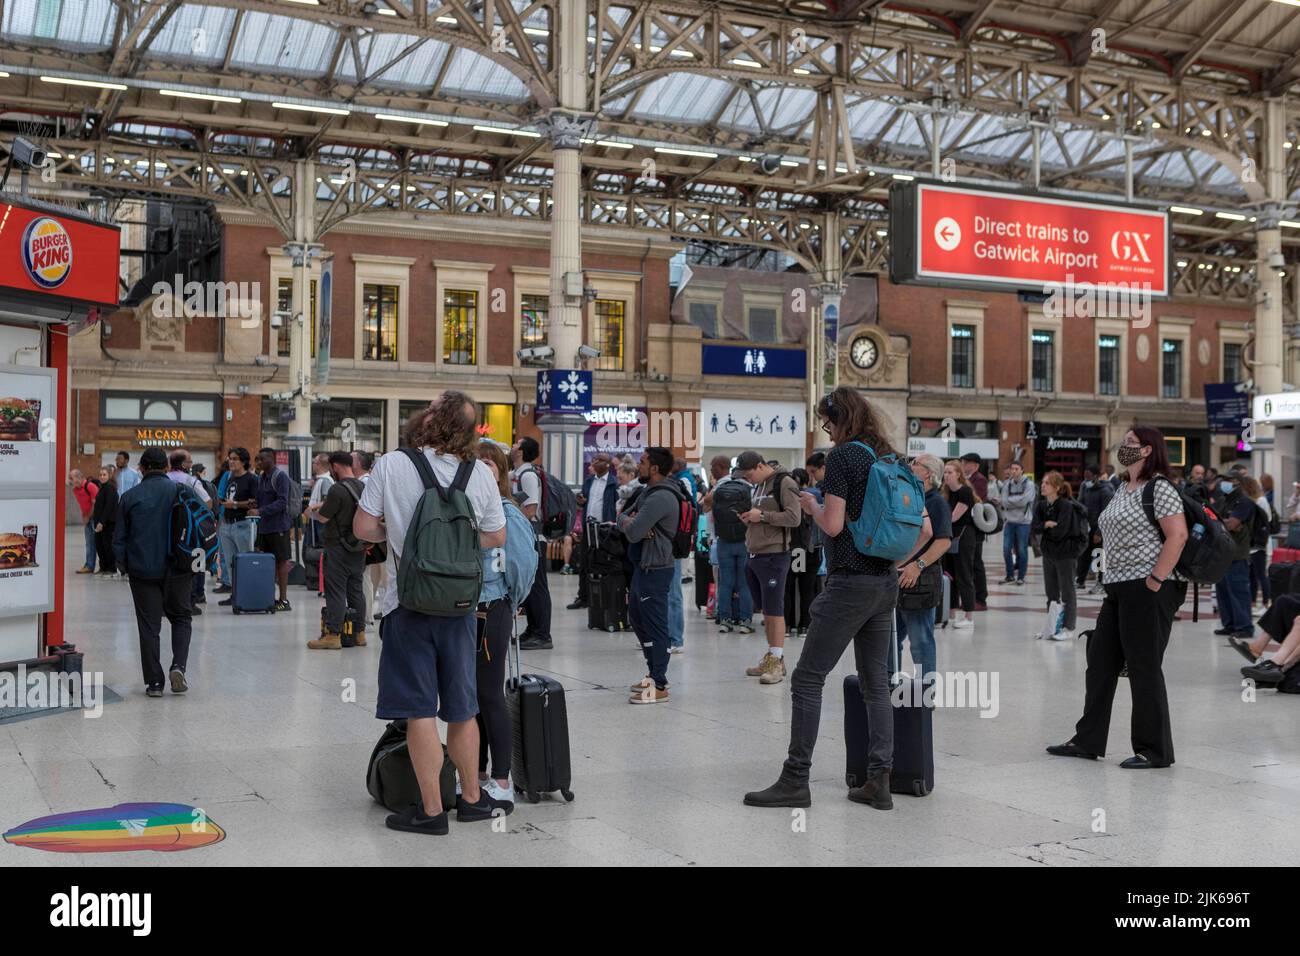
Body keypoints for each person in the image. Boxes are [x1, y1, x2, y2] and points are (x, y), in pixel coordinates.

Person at [745, 386, 917, 811]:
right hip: (884, 581)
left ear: (840, 419)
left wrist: (811, 507)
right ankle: (879, 778)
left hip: (850, 582)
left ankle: (795, 779)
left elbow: (835, 526)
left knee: (807, 679)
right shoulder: (887, 456)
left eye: (826, 421)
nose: (827, 429)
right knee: (876, 683)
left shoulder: (843, 457)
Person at [353, 391, 509, 835]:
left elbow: (363, 527)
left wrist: (403, 534)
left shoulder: (393, 464)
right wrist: (457, 548)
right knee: (463, 707)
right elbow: (496, 536)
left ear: (429, 419)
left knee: (420, 709)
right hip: (462, 607)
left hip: (410, 605)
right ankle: (474, 801)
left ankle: (432, 811)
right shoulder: (479, 472)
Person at [1047, 426, 1188, 769]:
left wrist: (1154, 579)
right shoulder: (1123, 488)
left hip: (1150, 587)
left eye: (1130, 444)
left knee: (1143, 667)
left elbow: (1178, 534)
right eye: (1122, 443)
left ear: (1147, 450)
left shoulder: (1160, 488)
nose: (1122, 448)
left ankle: (1154, 751)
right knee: (1100, 662)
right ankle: (1088, 739)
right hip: (1118, 586)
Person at [474, 440, 537, 803]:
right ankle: (478, 770)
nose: (483, 470)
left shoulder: (507, 514)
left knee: (489, 694)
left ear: (500, 472)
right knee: (471, 698)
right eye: (476, 464)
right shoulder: (474, 510)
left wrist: (510, 601)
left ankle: (501, 779)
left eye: (490, 464)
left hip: (492, 609)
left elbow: (521, 567)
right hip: (469, 611)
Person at [114, 447, 194, 697]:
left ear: (142, 468)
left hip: (143, 571)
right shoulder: (183, 491)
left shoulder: (130, 496)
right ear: (167, 467)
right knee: (181, 618)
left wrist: (124, 566)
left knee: (149, 627)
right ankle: (178, 666)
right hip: (179, 570)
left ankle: (155, 683)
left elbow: (119, 539)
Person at [618, 447, 682, 704]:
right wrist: (629, 521)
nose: (638, 467)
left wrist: (631, 524)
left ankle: (660, 683)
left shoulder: (660, 497)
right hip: (643, 566)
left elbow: (632, 532)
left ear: (655, 468)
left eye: (643, 462)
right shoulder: (648, 491)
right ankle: (652, 671)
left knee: (655, 623)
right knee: (638, 618)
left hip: (656, 567)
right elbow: (623, 514)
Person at [735, 451, 803, 684]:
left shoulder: (785, 482)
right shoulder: (759, 486)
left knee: (775, 611)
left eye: (749, 473)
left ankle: (777, 659)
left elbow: (795, 518)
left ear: (761, 465)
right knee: (766, 611)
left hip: (774, 556)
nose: (748, 478)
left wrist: (762, 516)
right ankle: (773, 657)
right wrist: (751, 518)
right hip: (755, 555)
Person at [896, 453, 951, 680]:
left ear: (928, 473)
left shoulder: (936, 503)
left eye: (915, 464)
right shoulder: (912, 498)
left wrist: (917, 566)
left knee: (921, 640)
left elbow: (944, 541)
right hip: (898, 579)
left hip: (921, 581)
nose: (910, 466)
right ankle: (890, 684)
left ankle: (926, 691)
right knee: (892, 637)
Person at [307, 452, 367, 650]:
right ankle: (359, 633)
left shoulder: (337, 489)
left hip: (337, 548)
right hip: (358, 546)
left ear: (335, 466)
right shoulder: (363, 487)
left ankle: (333, 634)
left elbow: (323, 518)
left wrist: (312, 512)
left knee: (336, 591)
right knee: (356, 590)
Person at [1032, 471, 1088, 641]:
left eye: (1047, 483)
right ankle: (1051, 626)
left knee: (1068, 591)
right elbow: (1034, 527)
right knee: (1051, 593)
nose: (1043, 486)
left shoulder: (1066, 506)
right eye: (1042, 482)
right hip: (1049, 553)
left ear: (1056, 487)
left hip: (1066, 554)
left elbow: (1060, 532)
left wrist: (1046, 529)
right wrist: (1046, 525)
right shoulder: (1041, 506)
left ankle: (1068, 627)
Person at [511, 436, 553, 650]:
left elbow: (531, 508)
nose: (513, 445)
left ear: (521, 451)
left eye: (516, 443)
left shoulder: (527, 475)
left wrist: (509, 519)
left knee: (537, 586)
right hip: (525, 537)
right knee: (530, 585)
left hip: (535, 538)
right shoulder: (516, 474)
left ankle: (543, 634)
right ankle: (533, 629)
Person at [704, 461, 755, 634]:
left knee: (725, 583)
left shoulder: (719, 488)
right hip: (744, 542)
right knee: (744, 583)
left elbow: (706, 507)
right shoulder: (751, 489)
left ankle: (725, 620)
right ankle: (745, 621)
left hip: (724, 541)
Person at [569, 452, 619, 611]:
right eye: (594, 460)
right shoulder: (589, 481)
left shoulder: (613, 483)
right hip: (588, 528)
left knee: (604, 563)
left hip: (605, 529)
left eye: (598, 460)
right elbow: (583, 503)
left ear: (607, 464)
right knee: (584, 563)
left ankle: (604, 596)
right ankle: (583, 597)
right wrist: (581, 502)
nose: (594, 463)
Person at [166, 450, 212, 613]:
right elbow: (208, 502)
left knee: (169, 563)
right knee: (194, 563)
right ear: (184, 464)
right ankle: (191, 601)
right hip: (189, 531)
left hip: (167, 530)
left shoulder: (164, 480)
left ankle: (168, 601)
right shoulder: (191, 481)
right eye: (190, 462)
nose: (191, 465)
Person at [1213, 472, 1257, 641]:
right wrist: (1223, 522)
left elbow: (1232, 524)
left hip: (1238, 554)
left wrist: (1221, 522)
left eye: (1227, 480)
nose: (1223, 483)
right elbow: (1216, 520)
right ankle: (1229, 624)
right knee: (1223, 591)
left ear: (1237, 482)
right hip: (1223, 553)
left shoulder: (1245, 502)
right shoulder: (1225, 500)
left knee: (1238, 591)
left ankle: (1244, 626)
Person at [252, 447, 295, 612]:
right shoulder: (262, 478)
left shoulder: (280, 476)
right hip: (264, 527)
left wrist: (261, 511)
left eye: (262, 459)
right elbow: (262, 500)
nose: (259, 462)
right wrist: (254, 504)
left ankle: (283, 600)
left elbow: (282, 502)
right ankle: (268, 596)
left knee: (281, 562)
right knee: (267, 563)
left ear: (271, 458)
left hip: (279, 527)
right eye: (257, 459)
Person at [784, 468, 823, 638]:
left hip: (792, 548)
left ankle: (787, 625)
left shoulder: (788, 496)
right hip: (812, 548)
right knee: (808, 589)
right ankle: (805, 626)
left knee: (788, 588)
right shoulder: (817, 495)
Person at [216, 448, 257, 604]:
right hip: (227, 524)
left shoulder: (251, 479)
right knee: (230, 562)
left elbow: (254, 502)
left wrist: (234, 505)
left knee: (245, 562)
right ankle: (235, 594)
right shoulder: (230, 478)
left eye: (234, 459)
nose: (231, 461)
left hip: (242, 525)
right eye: (230, 458)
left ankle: (248, 595)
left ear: (244, 462)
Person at [941, 460, 978, 628]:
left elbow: (952, 517)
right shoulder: (946, 493)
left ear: (958, 474)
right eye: (945, 472)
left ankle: (969, 616)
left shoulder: (965, 492)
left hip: (964, 538)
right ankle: (951, 612)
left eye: (949, 472)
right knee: (950, 575)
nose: (946, 476)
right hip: (949, 537)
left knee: (964, 575)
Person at [1075, 464, 1114, 594]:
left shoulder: (1105, 491)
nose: (1086, 480)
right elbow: (1080, 505)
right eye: (1085, 477)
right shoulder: (1085, 488)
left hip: (1099, 530)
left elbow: (1106, 513)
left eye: (1088, 477)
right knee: (1084, 555)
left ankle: (1101, 583)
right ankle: (1080, 580)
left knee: (1099, 556)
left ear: (1096, 476)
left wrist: (1099, 532)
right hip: (1086, 528)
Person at [996, 461, 1035, 585]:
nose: (1014, 471)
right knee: (1006, 549)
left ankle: (1021, 577)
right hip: (1010, 522)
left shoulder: (1029, 484)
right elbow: (1004, 501)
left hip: (1024, 522)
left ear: (1022, 470)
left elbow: (1024, 501)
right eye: (1012, 469)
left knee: (1022, 550)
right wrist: (1011, 501)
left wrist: (1008, 501)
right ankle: (1010, 575)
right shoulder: (1007, 484)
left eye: (1017, 469)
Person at [959, 453, 990, 609]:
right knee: (969, 563)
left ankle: (980, 598)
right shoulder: (969, 479)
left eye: (965, 462)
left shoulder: (980, 480)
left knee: (976, 563)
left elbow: (976, 499)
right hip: (967, 526)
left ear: (975, 465)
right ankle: (971, 597)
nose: (963, 464)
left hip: (976, 527)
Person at [1242, 475, 1273, 611]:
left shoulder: (1260, 501)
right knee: (1252, 574)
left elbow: (1264, 521)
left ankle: (1266, 603)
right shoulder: (1255, 500)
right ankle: (1253, 603)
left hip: (1260, 543)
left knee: (1260, 574)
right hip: (1253, 544)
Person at [69, 469, 99, 574]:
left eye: (71, 478)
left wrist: (88, 517)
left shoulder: (90, 486)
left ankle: (105, 567)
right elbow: (83, 505)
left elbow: (96, 505)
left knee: (99, 544)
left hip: (96, 518)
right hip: (87, 518)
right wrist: (84, 517)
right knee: (89, 543)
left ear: (79, 478)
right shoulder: (75, 490)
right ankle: (89, 566)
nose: (70, 481)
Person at [91, 465, 119, 575]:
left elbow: (108, 507)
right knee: (100, 546)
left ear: (109, 476)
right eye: (100, 475)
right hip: (99, 523)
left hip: (107, 524)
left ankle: (111, 569)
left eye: (104, 475)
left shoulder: (110, 488)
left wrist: (102, 522)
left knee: (108, 547)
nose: (102, 477)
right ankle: (103, 567)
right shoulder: (102, 487)